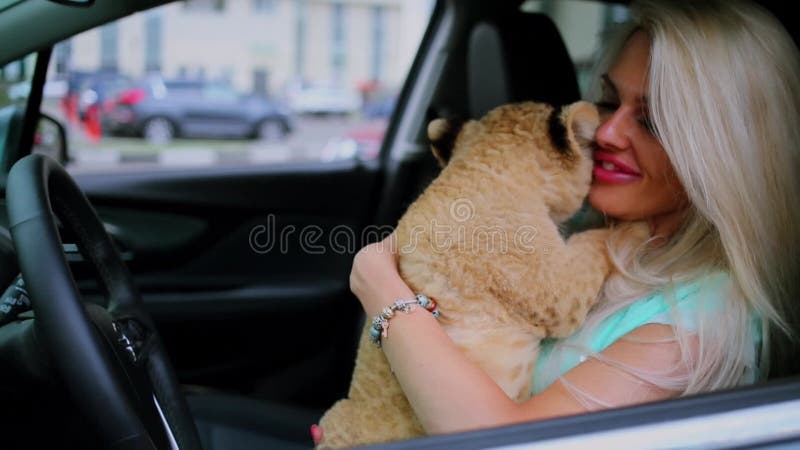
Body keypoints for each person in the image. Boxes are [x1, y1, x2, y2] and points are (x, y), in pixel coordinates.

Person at [334, 0, 800, 439]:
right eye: (608, 101)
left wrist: (386, 295)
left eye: (653, 121)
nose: (608, 131)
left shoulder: (698, 327)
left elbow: (503, 441)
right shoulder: (582, 234)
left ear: (723, 154)